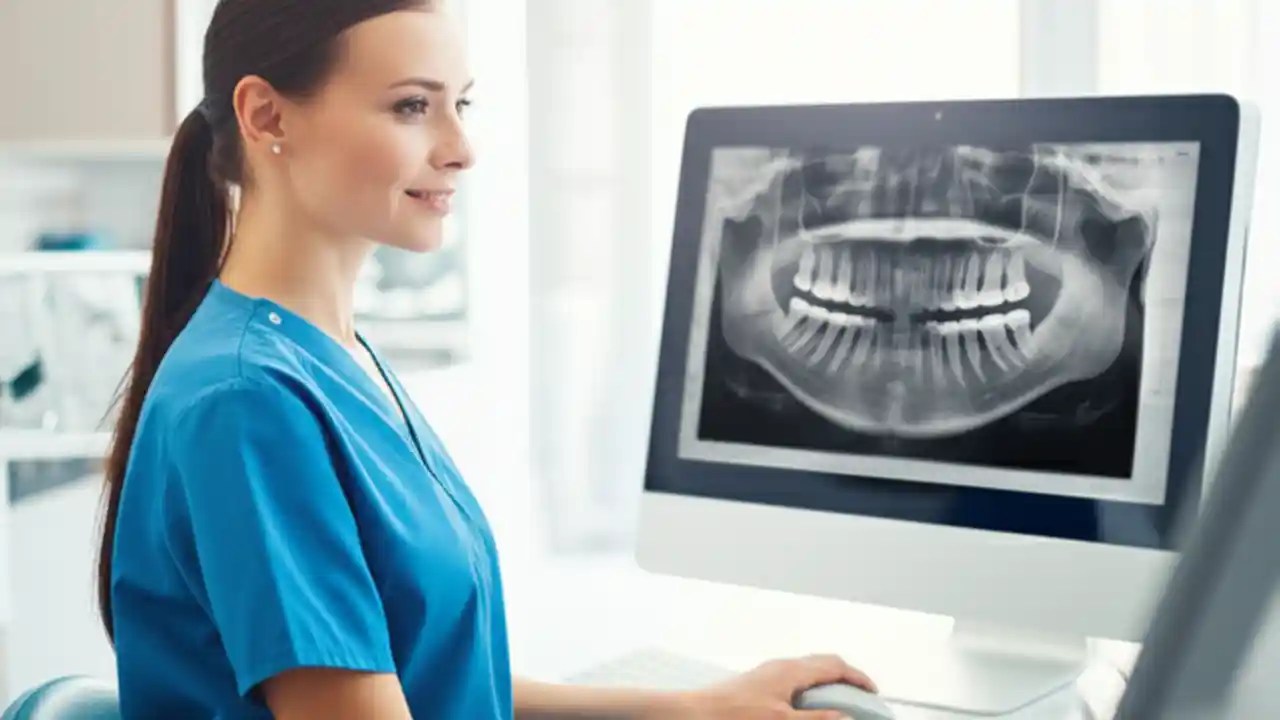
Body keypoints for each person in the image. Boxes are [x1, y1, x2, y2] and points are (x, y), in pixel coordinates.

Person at [98, 1, 879, 717]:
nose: (462, 149)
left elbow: (431, 673)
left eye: (460, 104)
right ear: (267, 114)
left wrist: (694, 708)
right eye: (412, 106)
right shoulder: (246, 402)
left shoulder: (334, 358)